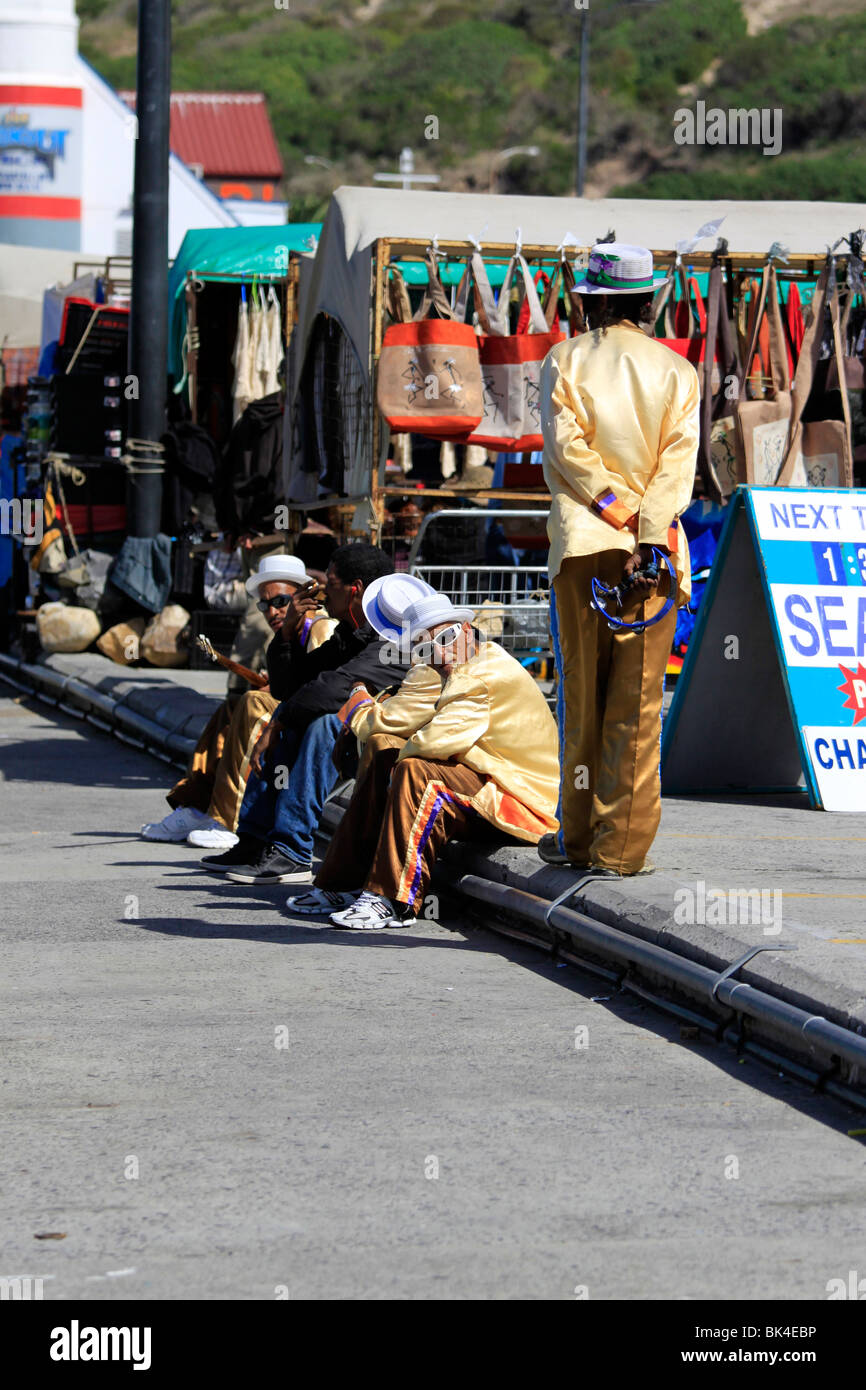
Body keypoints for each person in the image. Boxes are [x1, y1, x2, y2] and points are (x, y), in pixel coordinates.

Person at [538, 242, 699, 877]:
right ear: (645, 299)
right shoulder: (676, 370)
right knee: (637, 703)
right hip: (653, 557)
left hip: (583, 544)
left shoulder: (563, 359)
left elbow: (566, 448)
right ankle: (620, 850)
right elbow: (677, 464)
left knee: (581, 694)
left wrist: (613, 510)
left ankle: (575, 837)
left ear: (592, 298)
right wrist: (648, 529)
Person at [285, 583, 560, 928]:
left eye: (444, 641)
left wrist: (363, 711)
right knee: (389, 752)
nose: (440, 655)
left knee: (414, 771)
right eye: (427, 649)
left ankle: (393, 900)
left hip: (520, 800)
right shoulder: (471, 658)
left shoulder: (479, 675)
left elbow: (430, 742)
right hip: (494, 779)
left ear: (463, 630)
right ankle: (341, 884)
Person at [199, 546, 418, 884]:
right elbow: (291, 686)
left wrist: (280, 719)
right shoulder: (353, 631)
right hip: (364, 731)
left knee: (324, 723)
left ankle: (293, 851)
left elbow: (335, 687)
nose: (322, 591)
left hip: (399, 737)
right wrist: (287, 632)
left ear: (354, 588)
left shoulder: (394, 636)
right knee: (297, 722)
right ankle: (255, 840)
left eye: (330, 583)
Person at [141, 554, 334, 845]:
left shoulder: (320, 628)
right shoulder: (286, 633)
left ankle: (230, 819)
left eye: (280, 602)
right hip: (294, 710)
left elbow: (323, 689)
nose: (272, 612)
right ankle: (197, 803)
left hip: (318, 721)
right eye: (264, 605)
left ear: (301, 597)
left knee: (253, 703)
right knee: (231, 705)